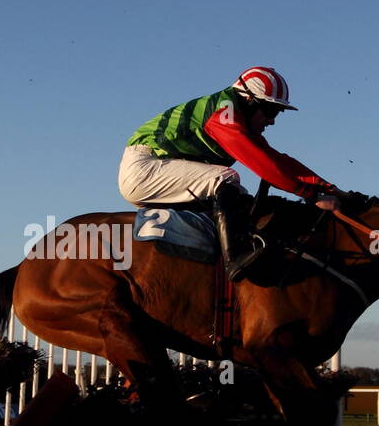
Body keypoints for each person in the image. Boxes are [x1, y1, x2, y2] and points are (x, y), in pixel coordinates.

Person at [120, 66, 343, 281]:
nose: (272, 120)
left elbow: (277, 160)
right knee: (226, 178)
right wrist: (310, 195)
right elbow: (263, 165)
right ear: (249, 100)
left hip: (157, 167)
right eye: (270, 110)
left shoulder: (236, 116)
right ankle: (235, 259)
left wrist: (327, 187)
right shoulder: (223, 113)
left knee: (239, 196)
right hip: (144, 169)